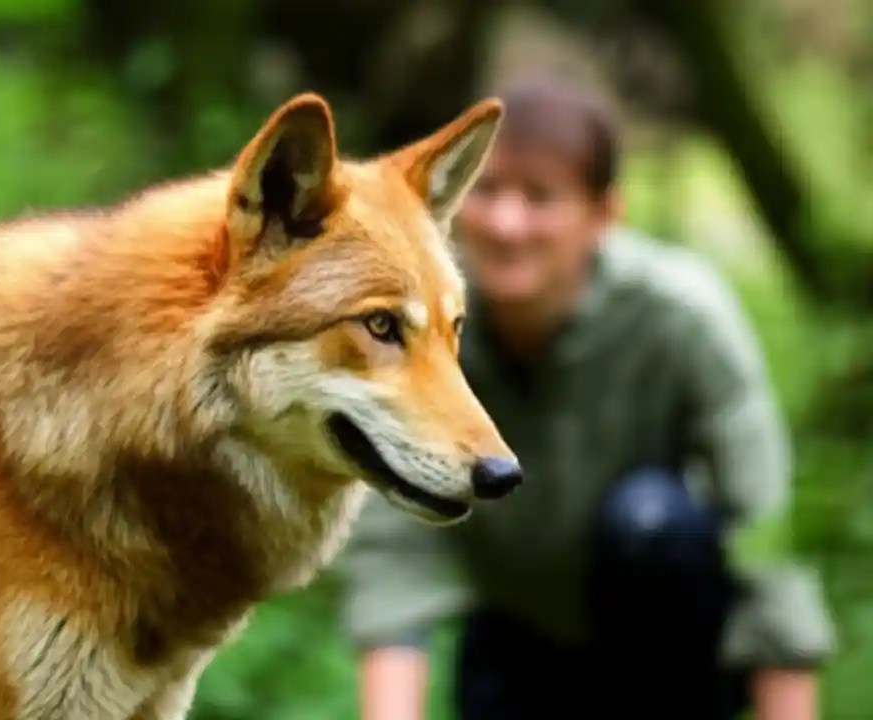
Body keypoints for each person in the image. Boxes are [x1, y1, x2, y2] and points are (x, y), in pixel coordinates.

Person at [337, 77, 836, 720]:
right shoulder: (418, 323)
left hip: (668, 641)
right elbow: (393, 555)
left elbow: (762, 535)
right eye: (486, 191)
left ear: (603, 216)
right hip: (519, 634)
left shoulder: (682, 316)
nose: (507, 223)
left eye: (539, 197)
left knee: (649, 519)